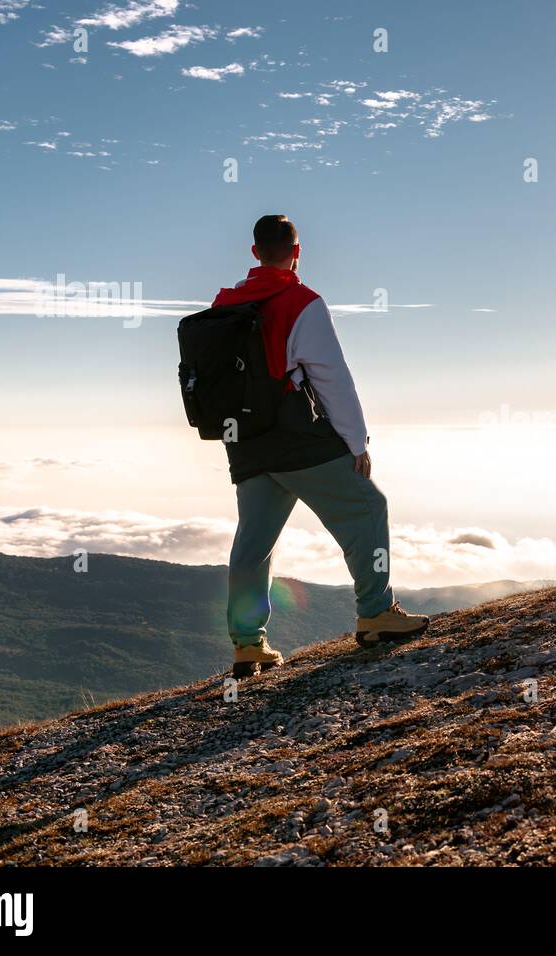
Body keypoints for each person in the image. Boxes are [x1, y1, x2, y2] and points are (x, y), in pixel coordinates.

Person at [213, 214, 428, 677]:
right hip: (296, 439)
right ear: (297, 251)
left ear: (254, 252)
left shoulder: (224, 303)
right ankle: (375, 613)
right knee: (369, 508)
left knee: (254, 543)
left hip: (245, 442)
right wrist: (356, 442)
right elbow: (332, 376)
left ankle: (248, 646)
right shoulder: (301, 302)